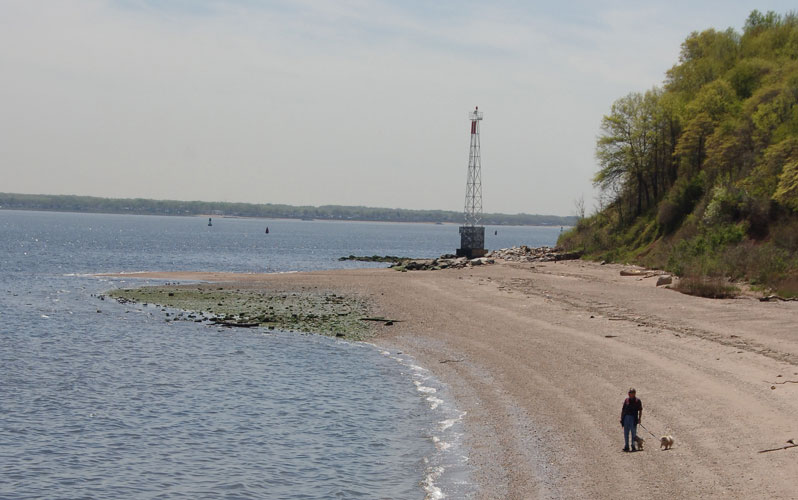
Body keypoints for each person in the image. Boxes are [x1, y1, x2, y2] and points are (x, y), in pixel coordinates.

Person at [620, 388, 643, 452]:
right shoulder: (626, 400)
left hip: (633, 418)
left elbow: (640, 410)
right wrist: (622, 418)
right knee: (626, 433)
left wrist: (639, 418)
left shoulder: (637, 401)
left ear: (634, 393)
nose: (629, 394)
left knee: (633, 433)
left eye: (631, 393)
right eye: (629, 393)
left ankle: (633, 446)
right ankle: (626, 446)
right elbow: (623, 409)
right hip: (626, 418)